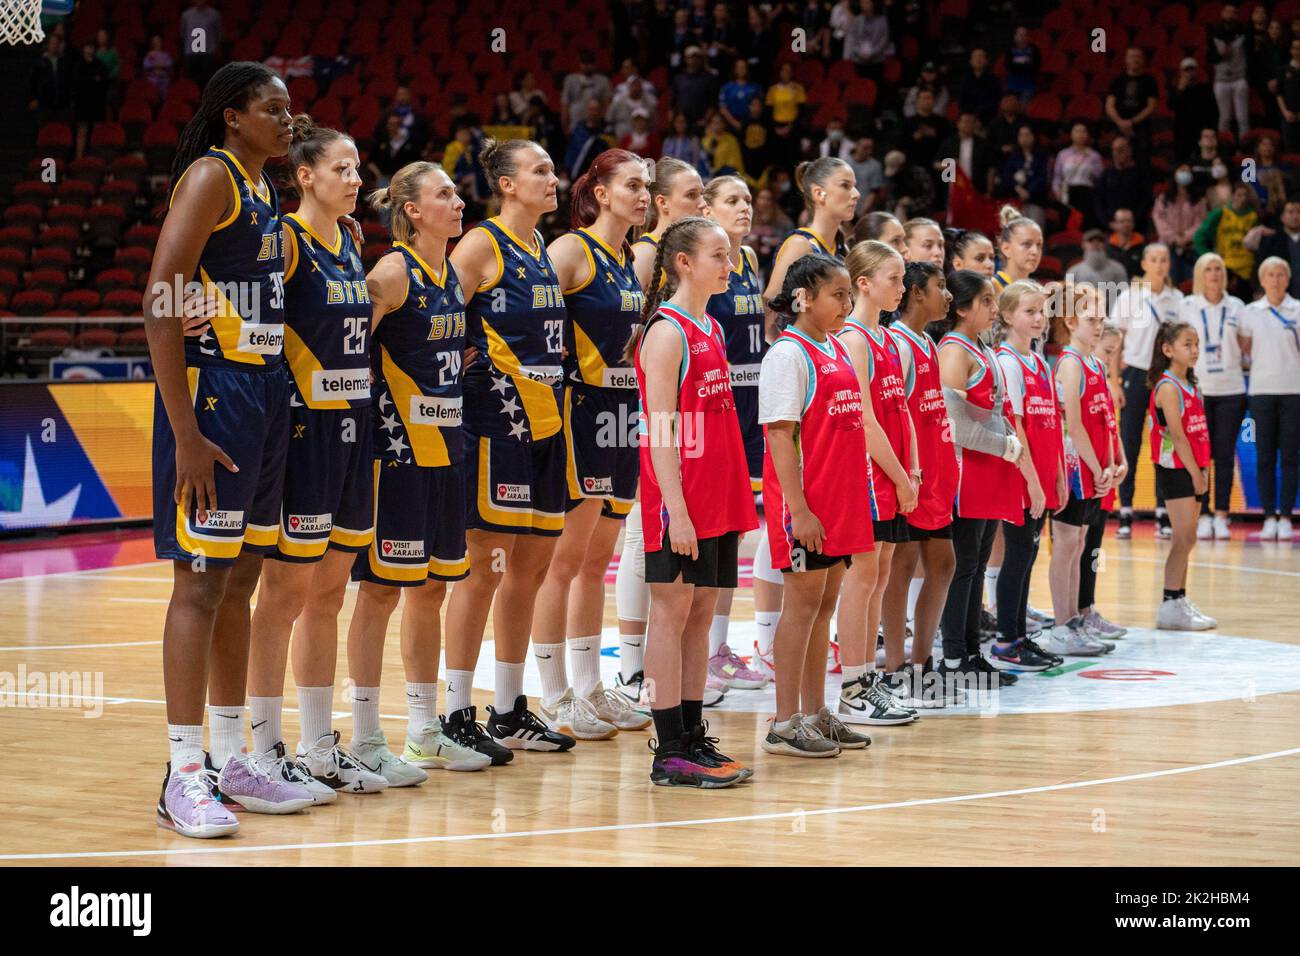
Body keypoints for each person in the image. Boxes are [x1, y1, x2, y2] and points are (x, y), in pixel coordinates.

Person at [144, 62, 315, 838]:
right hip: (215, 399)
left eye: (289, 110)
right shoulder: (211, 176)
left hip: (266, 393)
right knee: (201, 582)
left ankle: (227, 756)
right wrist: (186, 436)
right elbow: (159, 295)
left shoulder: (265, 190)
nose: (288, 121)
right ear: (231, 119)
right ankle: (181, 775)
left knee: (242, 575)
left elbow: (228, 291)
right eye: (272, 110)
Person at [237, 117, 391, 799]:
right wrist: (188, 308)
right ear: (305, 176)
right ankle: (262, 750)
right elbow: (236, 300)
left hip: (356, 430)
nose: (355, 180)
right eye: (342, 169)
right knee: (283, 595)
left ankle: (319, 744)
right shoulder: (287, 240)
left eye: (358, 169)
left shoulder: (352, 239)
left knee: (330, 592)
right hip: (304, 435)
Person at [337, 161, 497, 778]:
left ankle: (425, 730)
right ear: (411, 210)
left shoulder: (450, 277)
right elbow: (350, 348)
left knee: (431, 588)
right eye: (445, 195)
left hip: (447, 450)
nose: (458, 203)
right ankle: (368, 736)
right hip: (398, 454)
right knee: (379, 592)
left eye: (457, 193)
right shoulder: (392, 271)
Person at [442, 139, 577, 760]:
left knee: (531, 571)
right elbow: (435, 319)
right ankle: (454, 712)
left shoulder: (538, 252)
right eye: (541, 171)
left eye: (553, 169)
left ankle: (509, 709)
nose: (554, 180)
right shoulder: (480, 245)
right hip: (496, 425)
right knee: (483, 570)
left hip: (546, 425)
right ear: (506, 184)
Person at [629, 216, 758, 787]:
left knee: (701, 615)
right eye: (718, 255)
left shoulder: (712, 326)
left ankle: (692, 735)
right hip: (677, 499)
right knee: (670, 615)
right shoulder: (667, 332)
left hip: (718, 496)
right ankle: (667, 750)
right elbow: (660, 428)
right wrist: (675, 510)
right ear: (683, 261)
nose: (729, 265)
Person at [532, 150, 654, 739]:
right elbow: (529, 318)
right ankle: (552, 693)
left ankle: (588, 685)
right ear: (600, 193)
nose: (643, 195)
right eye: (631, 185)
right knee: (564, 559)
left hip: (622, 413)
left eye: (646, 187)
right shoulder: (570, 250)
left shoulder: (628, 258)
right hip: (579, 409)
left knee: (594, 562)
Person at [759, 254, 872, 756]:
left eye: (850, 294)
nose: (847, 303)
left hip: (841, 504)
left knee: (822, 607)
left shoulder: (836, 348)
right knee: (800, 607)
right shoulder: (788, 354)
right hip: (806, 507)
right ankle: (784, 723)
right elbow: (780, 437)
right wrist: (799, 510)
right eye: (838, 295)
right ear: (804, 298)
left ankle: (814, 711)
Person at [618, 157, 710, 708]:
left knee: (643, 536)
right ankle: (634, 668)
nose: (702, 203)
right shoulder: (648, 255)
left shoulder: (690, 264)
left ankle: (651, 670)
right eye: (693, 195)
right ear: (663, 202)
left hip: (683, 406)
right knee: (638, 535)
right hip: (645, 402)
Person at [836, 241, 921, 719]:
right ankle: (852, 688)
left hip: (893, 476)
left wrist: (913, 471)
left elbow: (900, 410)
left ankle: (868, 677)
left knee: (881, 577)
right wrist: (898, 475)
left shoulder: (889, 338)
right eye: (894, 278)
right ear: (863, 283)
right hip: (867, 477)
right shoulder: (852, 339)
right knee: (863, 578)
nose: (902, 287)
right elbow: (865, 421)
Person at [936, 271, 1024, 690]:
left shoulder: (981, 347)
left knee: (974, 564)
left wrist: (1009, 445)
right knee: (963, 567)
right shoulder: (953, 351)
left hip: (990, 472)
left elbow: (992, 412)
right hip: (966, 473)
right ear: (962, 308)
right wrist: (1005, 446)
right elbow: (955, 427)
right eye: (986, 301)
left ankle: (972, 652)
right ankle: (953, 658)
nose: (993, 309)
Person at [881, 262, 963, 706]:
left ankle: (921, 662)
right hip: (912, 478)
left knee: (943, 564)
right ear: (916, 292)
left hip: (936, 479)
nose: (947, 295)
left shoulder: (926, 342)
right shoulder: (898, 344)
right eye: (940, 287)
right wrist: (905, 474)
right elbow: (896, 418)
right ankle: (896, 667)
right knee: (900, 569)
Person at [700, 175, 771, 691]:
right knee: (712, 530)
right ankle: (701, 648)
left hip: (752, 403)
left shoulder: (746, 263)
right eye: (732, 200)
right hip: (717, 406)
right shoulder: (702, 263)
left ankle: (717, 647)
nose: (744, 208)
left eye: (747, 200)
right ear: (706, 208)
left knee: (737, 531)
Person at [989, 281, 1065, 671]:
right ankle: (1006, 642)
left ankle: (1019, 636)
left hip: (1043, 477)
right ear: (1006, 316)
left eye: (1042, 311)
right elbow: (1015, 426)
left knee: (1029, 555)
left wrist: (1059, 478)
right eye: (1029, 312)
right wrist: (1034, 481)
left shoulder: (1039, 361)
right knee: (1016, 558)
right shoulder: (1006, 361)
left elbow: (1052, 426)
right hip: (1020, 478)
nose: (1039, 319)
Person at [1041, 286, 1118, 656]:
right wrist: (1095, 465)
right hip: (1074, 467)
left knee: (1080, 545)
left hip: (1094, 468)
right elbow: (1072, 423)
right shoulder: (1070, 363)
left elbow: (1106, 418)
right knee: (1067, 545)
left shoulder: (1096, 363)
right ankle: (1062, 625)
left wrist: (1114, 460)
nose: (1099, 326)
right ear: (1071, 322)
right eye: (1092, 320)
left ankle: (1074, 620)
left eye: (1102, 319)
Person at [1148, 322, 1216, 630]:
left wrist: (1203, 469)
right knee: (1182, 538)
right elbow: (1176, 434)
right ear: (1168, 349)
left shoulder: (1192, 383)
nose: (1195, 350)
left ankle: (1179, 599)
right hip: (1176, 469)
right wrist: (1195, 473)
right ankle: (1169, 603)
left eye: (1197, 344)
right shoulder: (1167, 386)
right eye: (1187, 344)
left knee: (1189, 538)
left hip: (1196, 466)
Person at [1112, 243, 1183, 538]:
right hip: (1135, 373)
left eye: (1164, 259)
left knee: (1165, 441)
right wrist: (1114, 380)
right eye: (1153, 259)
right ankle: (1125, 509)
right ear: (1143, 263)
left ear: (1169, 264)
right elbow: (1116, 340)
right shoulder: (1129, 297)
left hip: (1165, 376)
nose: (1159, 264)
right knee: (1129, 441)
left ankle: (1162, 511)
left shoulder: (1178, 298)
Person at [1180, 253, 1247, 540]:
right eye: (1208, 269)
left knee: (1224, 455)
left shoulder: (1237, 306)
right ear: (1199, 274)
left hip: (1232, 388)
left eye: (1219, 268)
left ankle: (1222, 514)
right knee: (1199, 456)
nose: (1215, 274)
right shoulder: (1187, 306)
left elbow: (1247, 344)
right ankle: (1203, 512)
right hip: (1199, 390)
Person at [1239, 257, 1300, 540]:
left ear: (1287, 279)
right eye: (1270, 275)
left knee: (1289, 457)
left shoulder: (1298, 310)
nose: (1275, 280)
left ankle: (1285, 516)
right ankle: (1268, 517)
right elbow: (1244, 351)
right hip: (1261, 391)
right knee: (1264, 456)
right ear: (1261, 281)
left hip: (1293, 391)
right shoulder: (1250, 312)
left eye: (1280, 275)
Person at [1152, 167, 1206, 284]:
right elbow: (1159, 219)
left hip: (1190, 248)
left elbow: (1200, 222)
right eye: (1181, 171)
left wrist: (1186, 237)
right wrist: (1175, 239)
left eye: (1187, 171)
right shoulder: (1163, 198)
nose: (1184, 174)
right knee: (1168, 281)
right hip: (1167, 246)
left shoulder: (1198, 200)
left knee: (1192, 282)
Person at [1105, 47, 1157, 163]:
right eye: (1131, 56)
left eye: (1138, 56)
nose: (1135, 59)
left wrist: (1132, 122)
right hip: (1119, 125)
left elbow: (1151, 106)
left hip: (1141, 127)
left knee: (1142, 159)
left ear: (1143, 60)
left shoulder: (1150, 81)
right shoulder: (1117, 80)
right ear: (1126, 59)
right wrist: (1120, 122)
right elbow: (1109, 105)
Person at [1208, 3, 1250, 142]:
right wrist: (1220, 54)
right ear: (1222, 13)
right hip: (1221, 81)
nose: (1230, 14)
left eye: (1233, 11)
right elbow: (1210, 57)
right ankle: (1223, 147)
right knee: (1224, 117)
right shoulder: (1214, 32)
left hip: (1239, 79)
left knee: (1242, 117)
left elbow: (1251, 54)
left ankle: (1245, 147)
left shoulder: (1243, 31)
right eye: (1227, 11)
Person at [1052, 123, 1104, 231]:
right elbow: (1057, 177)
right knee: (1067, 225)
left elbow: (1100, 177)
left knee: (1085, 225)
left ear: (1087, 135)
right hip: (1068, 193)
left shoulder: (1094, 156)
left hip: (1087, 194)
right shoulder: (1063, 154)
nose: (1080, 134)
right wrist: (1057, 191)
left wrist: (1088, 161)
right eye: (1077, 131)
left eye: (1083, 131)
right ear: (1071, 135)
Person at [994, 205, 1042, 291]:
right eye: (1027, 244)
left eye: (1039, 245)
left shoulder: (1039, 290)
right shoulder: (992, 288)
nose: (1035, 251)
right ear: (1006, 249)